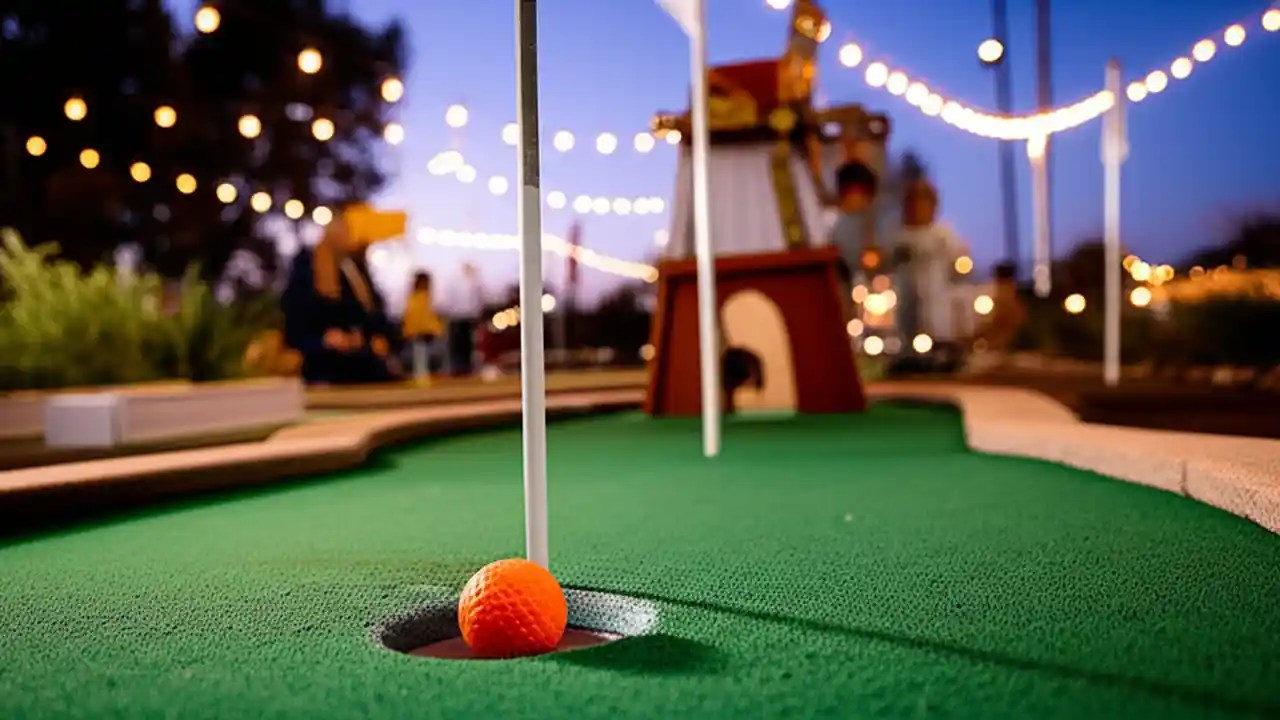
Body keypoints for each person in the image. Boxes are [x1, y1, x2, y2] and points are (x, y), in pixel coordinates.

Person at [281, 212, 398, 385]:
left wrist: (375, 337)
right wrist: (324, 340)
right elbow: (296, 318)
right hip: (323, 366)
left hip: (362, 362)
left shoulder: (354, 269)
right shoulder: (307, 267)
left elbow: (372, 312)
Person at [892, 179, 968, 344]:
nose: (918, 206)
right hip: (907, 302)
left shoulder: (944, 235)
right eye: (914, 201)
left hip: (936, 303)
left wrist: (960, 266)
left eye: (924, 200)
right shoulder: (897, 238)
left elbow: (961, 264)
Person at [826, 161, 879, 317]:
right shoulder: (830, 222)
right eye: (862, 194)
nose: (866, 202)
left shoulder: (869, 222)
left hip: (864, 294)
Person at [402, 271, 444, 385]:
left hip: (429, 333)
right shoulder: (413, 299)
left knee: (429, 356)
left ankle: (427, 376)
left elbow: (432, 316)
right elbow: (410, 316)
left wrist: (436, 330)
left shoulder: (429, 298)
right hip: (418, 333)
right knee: (419, 355)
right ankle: (421, 376)